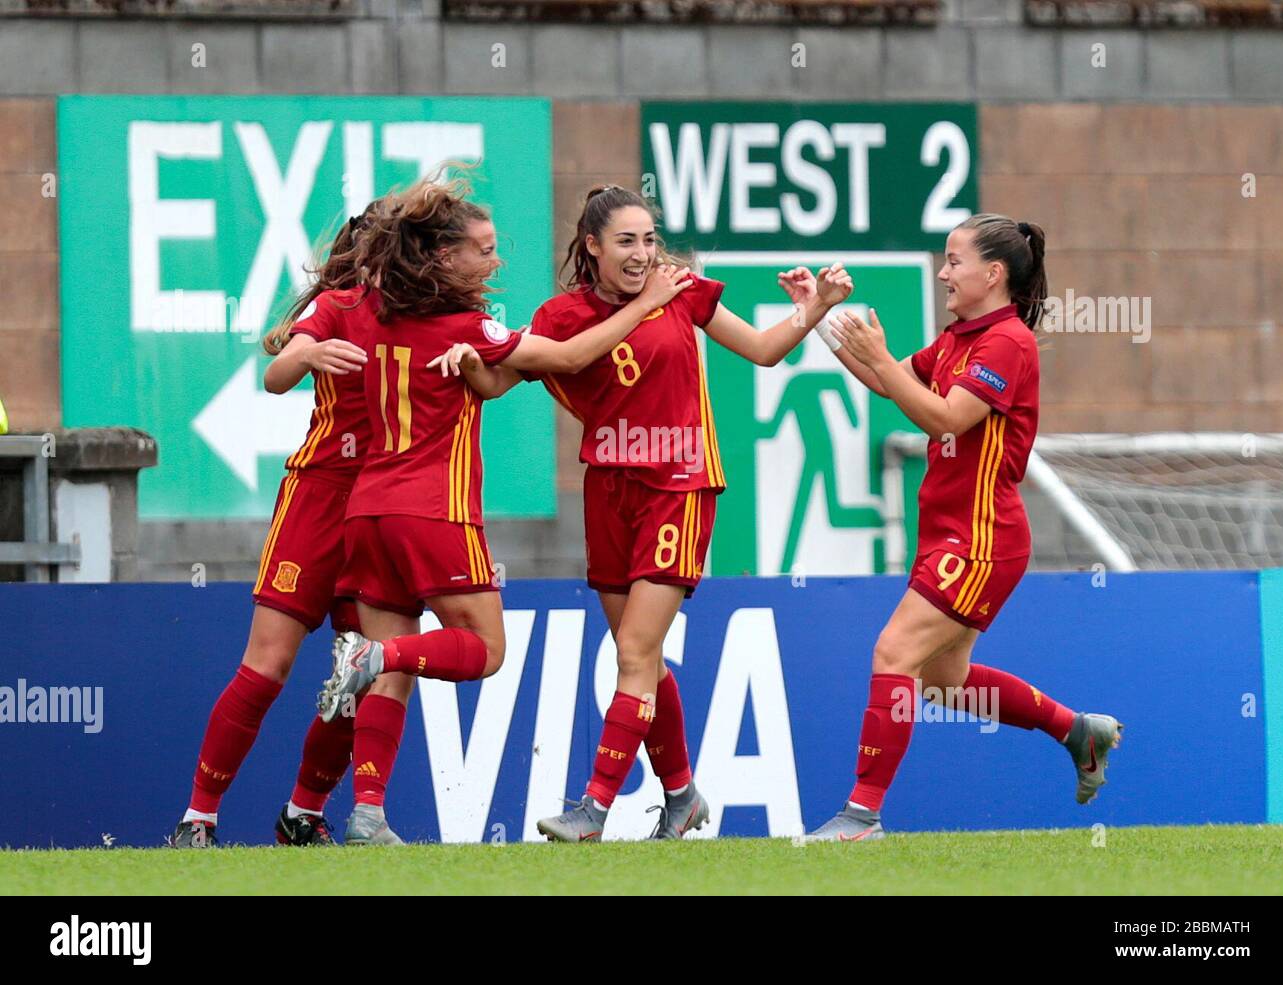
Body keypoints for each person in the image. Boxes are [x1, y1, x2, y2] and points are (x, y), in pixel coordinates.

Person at [440, 184, 853, 842]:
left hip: (681, 485)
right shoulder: (562, 315)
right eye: (627, 241)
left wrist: (816, 307)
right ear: (593, 247)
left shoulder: (682, 291)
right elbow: (496, 382)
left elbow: (764, 348)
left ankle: (594, 809)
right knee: (643, 657)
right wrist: (465, 359)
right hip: (609, 491)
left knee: (633, 648)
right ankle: (683, 795)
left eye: (650, 239)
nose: (642, 254)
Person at [313, 176, 695, 844]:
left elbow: (284, 360)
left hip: (366, 510)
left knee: (397, 673)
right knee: (484, 650)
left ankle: (367, 812)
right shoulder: (468, 324)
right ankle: (373, 655)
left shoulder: (369, 313)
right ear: (442, 260)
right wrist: (648, 303)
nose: (496, 263)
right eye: (484, 251)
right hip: (434, 512)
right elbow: (572, 355)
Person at [803, 213, 1123, 842]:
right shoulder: (957, 338)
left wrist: (883, 363)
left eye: (953, 260)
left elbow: (946, 419)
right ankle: (1075, 730)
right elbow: (885, 379)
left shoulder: (1007, 343)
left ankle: (861, 817)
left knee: (893, 655)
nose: (943, 272)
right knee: (944, 682)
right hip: (949, 534)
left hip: (981, 540)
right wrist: (818, 315)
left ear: (993, 273)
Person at [171, 206, 379, 848]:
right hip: (318, 500)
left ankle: (303, 813)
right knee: (269, 664)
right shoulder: (339, 307)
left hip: (384, 509)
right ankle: (198, 819)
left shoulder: (431, 315)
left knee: (360, 672)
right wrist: (309, 351)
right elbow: (275, 375)